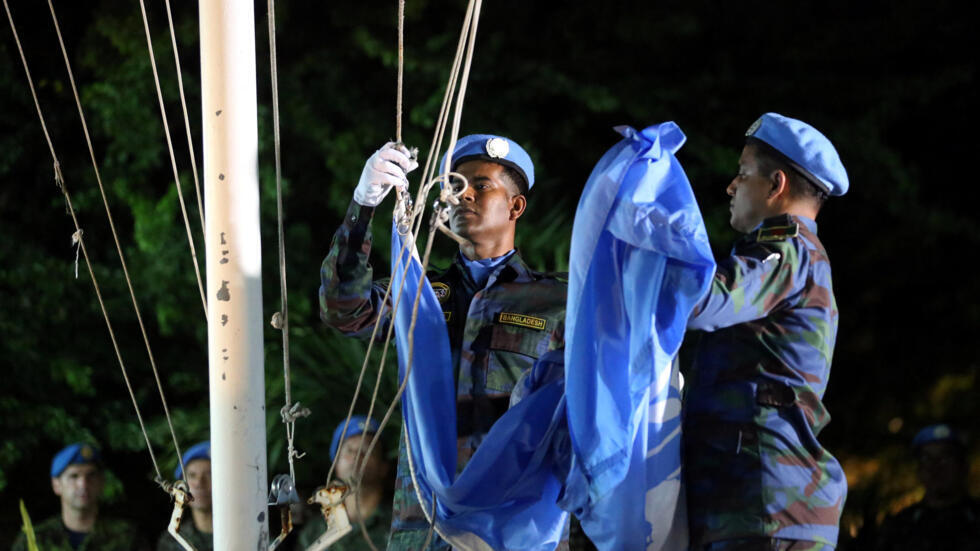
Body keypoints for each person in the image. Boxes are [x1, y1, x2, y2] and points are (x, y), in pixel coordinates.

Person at [319, 135, 568, 550]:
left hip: (515, 523)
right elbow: (343, 308)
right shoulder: (419, 291)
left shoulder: (559, 301)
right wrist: (364, 206)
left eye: (482, 185)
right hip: (424, 521)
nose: (462, 195)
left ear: (515, 206)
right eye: (453, 186)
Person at [683, 113, 849, 550]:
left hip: (768, 507)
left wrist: (655, 242)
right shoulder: (797, 255)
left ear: (776, 185)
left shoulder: (787, 250)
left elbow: (704, 302)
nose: (731, 187)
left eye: (742, 174)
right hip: (752, 505)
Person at [12, 442, 148, 551]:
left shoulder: (128, 537)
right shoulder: (33, 538)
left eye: (91, 476)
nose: (83, 484)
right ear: (56, 485)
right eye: (74, 476)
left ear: (101, 482)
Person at [874, 424, 980, 550]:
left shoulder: (976, 519)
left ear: (963, 467)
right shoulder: (900, 526)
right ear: (918, 470)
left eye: (945, 458)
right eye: (926, 458)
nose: (935, 468)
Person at [297, 416, 392, 550]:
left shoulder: (401, 526)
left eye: (366, 450)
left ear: (384, 467)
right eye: (349, 450)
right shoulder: (315, 533)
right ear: (335, 464)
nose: (356, 456)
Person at [157, 441, 213, 551]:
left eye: (209, 474)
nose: (199, 483)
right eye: (192, 475)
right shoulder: (172, 541)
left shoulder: (246, 535)